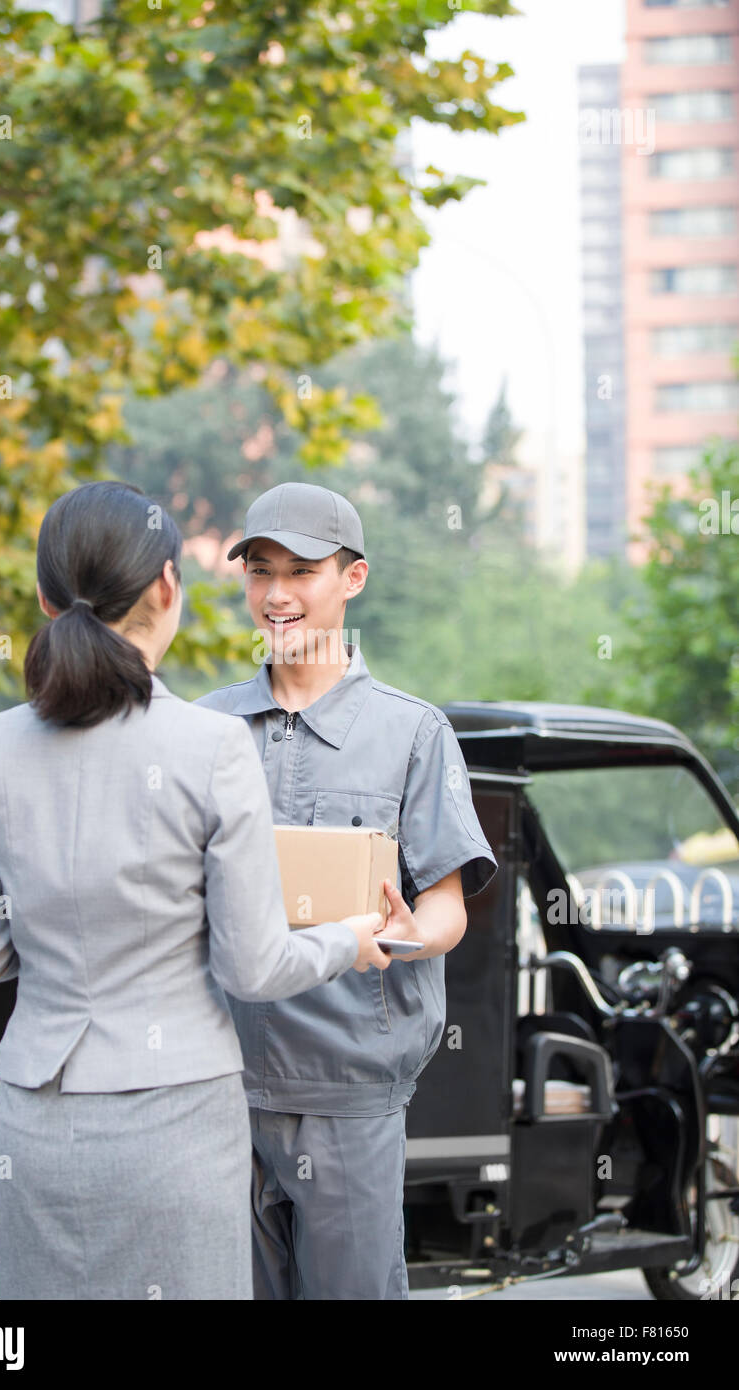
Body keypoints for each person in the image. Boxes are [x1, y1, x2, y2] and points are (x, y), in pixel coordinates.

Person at [0, 478, 390, 1301]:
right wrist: (348, 940)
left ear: (46, 598)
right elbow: (254, 966)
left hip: (36, 1121)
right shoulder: (212, 746)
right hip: (175, 1120)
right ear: (165, 586)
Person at [194, 481, 499, 1300]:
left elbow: (446, 908)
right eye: (260, 571)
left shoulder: (412, 733)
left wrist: (403, 934)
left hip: (349, 1090)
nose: (278, 595)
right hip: (217, 1088)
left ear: (352, 579)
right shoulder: (204, 729)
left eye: (303, 570)